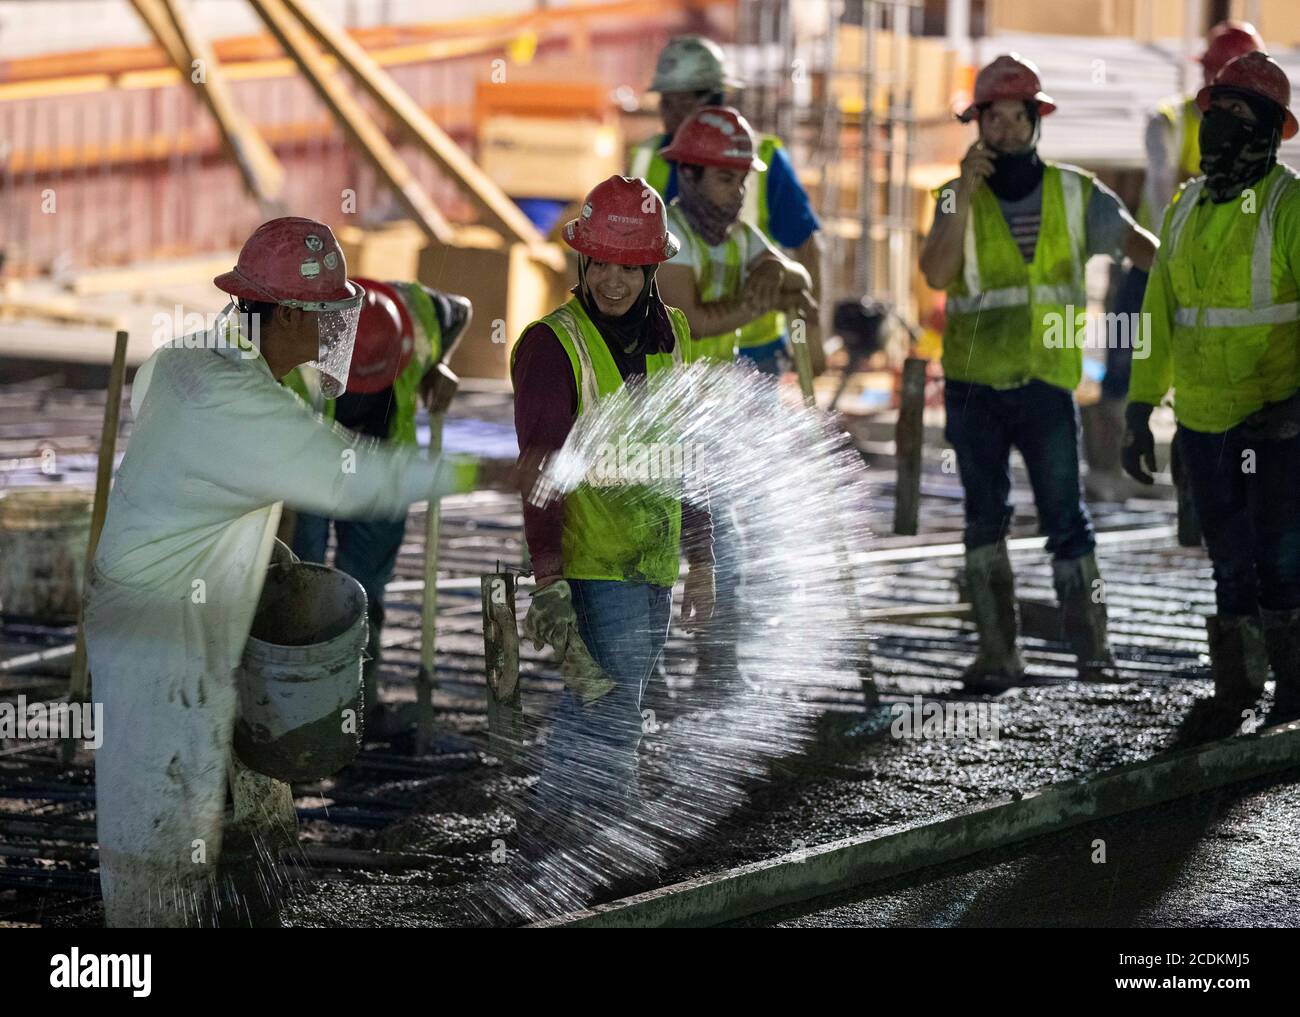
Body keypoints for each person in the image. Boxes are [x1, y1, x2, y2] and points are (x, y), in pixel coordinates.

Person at [84, 217, 496, 926]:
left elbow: (183, 443)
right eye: (327, 316)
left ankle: (244, 909)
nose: (334, 333)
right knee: (163, 811)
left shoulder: (189, 358)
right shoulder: (241, 401)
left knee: (242, 795)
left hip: (196, 598)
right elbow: (352, 479)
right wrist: (483, 467)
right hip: (159, 628)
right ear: (285, 315)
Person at [918, 54, 1157, 689]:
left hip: (1047, 385)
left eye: (1012, 117)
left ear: (1034, 119)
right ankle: (998, 654)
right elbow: (938, 274)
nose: (1001, 130)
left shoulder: (1076, 193)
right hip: (974, 388)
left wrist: (1184, 294)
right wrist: (962, 197)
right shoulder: (951, 195)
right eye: (989, 118)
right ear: (977, 124)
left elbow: (1142, 250)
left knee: (1065, 516)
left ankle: (1093, 651)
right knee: (982, 516)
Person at [511, 175, 713, 827]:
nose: (614, 281)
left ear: (653, 267)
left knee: (609, 701)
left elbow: (694, 450)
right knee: (611, 708)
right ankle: (593, 833)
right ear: (582, 261)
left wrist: (700, 557)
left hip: (652, 566)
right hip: (594, 567)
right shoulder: (553, 346)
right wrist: (549, 577)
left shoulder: (674, 335)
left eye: (630, 266)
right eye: (602, 263)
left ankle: (563, 829)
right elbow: (540, 471)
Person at [1124, 52, 1300, 722]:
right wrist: (1141, 407)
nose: (1219, 123)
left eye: (1237, 112)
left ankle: (1294, 691)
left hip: (1276, 425)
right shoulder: (1185, 207)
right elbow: (1159, 319)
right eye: (1214, 110)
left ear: (1266, 129)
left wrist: (1295, 406)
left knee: (1282, 565)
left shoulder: (1290, 206)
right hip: (1203, 424)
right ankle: (1238, 686)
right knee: (1228, 562)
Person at [655, 104, 816, 678]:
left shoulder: (739, 236)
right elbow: (691, 320)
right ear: (690, 176)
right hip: (653, 427)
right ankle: (650, 682)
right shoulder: (668, 237)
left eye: (743, 179)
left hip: (703, 426)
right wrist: (759, 298)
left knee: (721, 548)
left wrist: (778, 279)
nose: (739, 190)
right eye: (727, 178)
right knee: (654, 558)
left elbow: (795, 275)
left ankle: (717, 668)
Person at [282, 277, 472, 734]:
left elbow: (461, 308)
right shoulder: (295, 332)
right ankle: (293, 708)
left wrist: (437, 366)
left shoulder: (421, 310)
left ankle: (352, 711)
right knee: (297, 583)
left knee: (363, 594)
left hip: (384, 465)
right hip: (308, 466)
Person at [629, 34, 823, 375]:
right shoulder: (648, 160)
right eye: (666, 103)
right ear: (688, 173)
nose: (671, 116)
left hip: (754, 349)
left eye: (682, 103)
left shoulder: (761, 158)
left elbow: (806, 246)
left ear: (713, 100)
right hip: (677, 357)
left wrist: (810, 333)